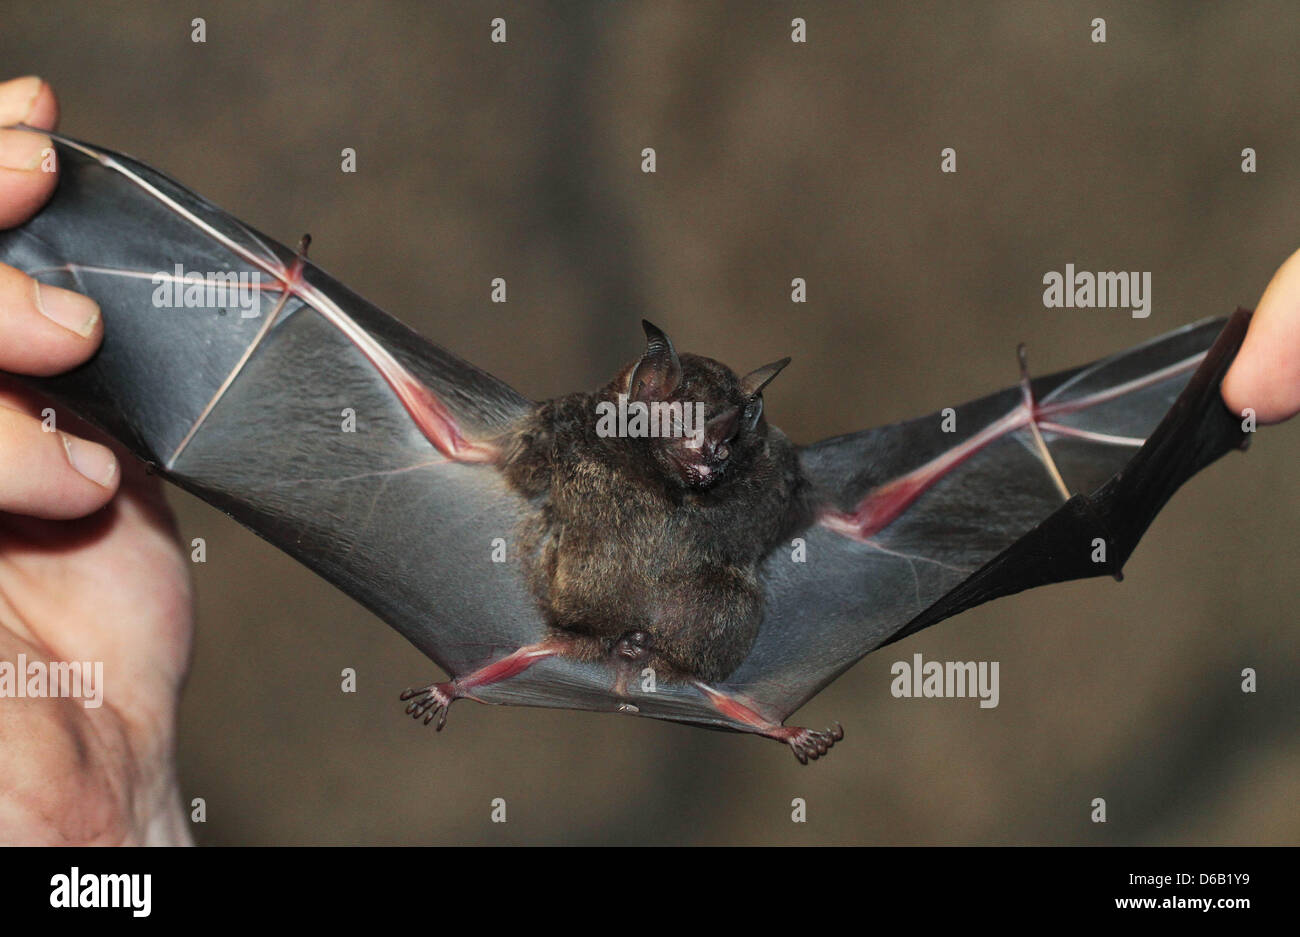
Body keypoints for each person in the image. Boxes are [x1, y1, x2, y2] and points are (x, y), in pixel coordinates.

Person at [0, 76, 1295, 845]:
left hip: (703, 622)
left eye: (710, 437)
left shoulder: (795, 514)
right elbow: (458, 424)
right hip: (538, 582)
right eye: (660, 416)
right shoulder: (558, 448)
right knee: (285, 303)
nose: (686, 443)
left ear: (731, 452)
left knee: (1012, 448)